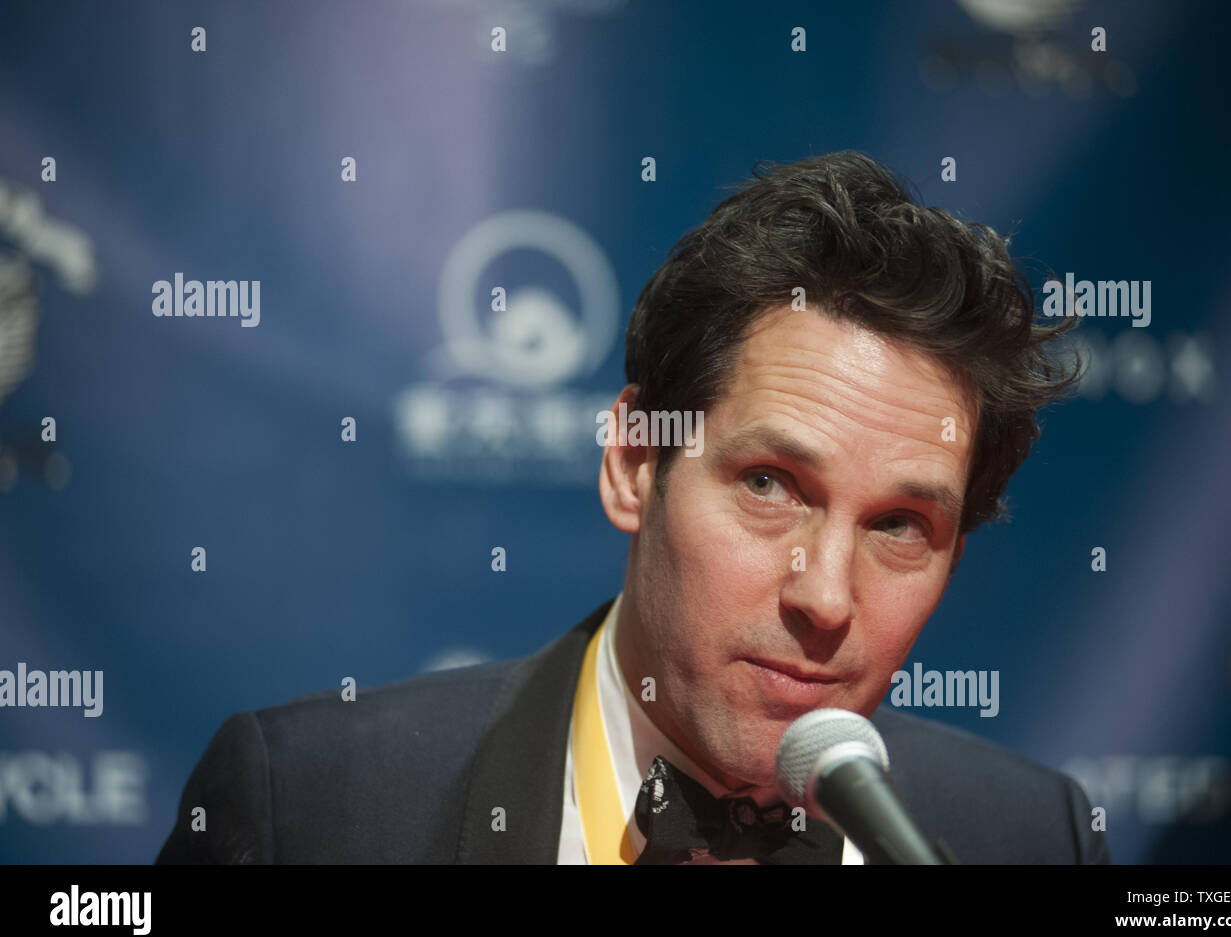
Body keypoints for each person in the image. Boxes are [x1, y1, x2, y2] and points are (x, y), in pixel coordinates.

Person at [157, 151, 1108, 865]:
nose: (824, 597)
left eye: (900, 525)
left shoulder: (1030, 837)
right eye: (770, 484)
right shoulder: (314, 813)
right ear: (633, 463)